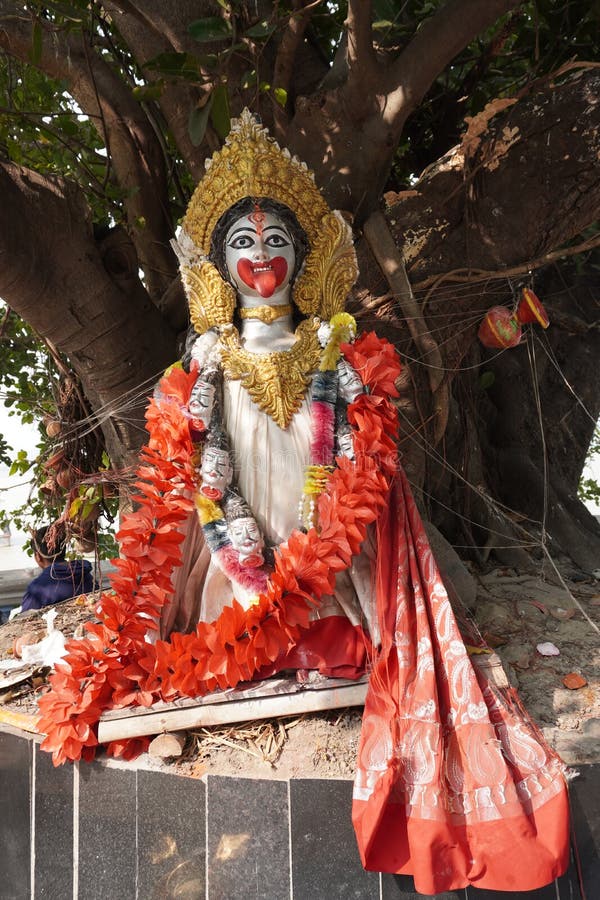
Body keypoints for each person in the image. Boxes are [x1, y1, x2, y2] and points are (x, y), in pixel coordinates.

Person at [39, 111, 570, 894]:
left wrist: (340, 497)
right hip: (244, 534)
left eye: (278, 242)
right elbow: (205, 461)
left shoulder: (331, 344)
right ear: (220, 264)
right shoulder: (210, 355)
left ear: (304, 259)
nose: (262, 257)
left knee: (343, 606)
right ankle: (257, 613)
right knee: (232, 617)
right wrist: (236, 544)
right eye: (244, 245)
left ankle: (320, 623)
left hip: (329, 531)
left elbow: (364, 448)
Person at [21, 525, 95, 612]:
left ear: (38, 557)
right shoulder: (85, 574)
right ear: (63, 551)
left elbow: (24, 619)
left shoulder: (38, 588)